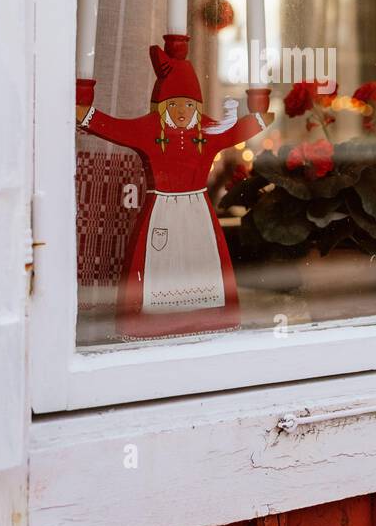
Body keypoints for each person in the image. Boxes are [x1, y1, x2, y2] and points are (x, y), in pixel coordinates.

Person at [77, 42, 273, 338]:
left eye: (188, 105)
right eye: (175, 105)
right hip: (162, 208)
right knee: (160, 260)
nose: (182, 112)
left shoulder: (206, 130)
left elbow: (232, 131)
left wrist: (258, 118)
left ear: (197, 106)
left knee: (200, 254)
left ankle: (208, 313)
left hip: (197, 208)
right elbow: (116, 128)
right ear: (163, 106)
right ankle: (153, 316)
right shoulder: (149, 130)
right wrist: (88, 116)